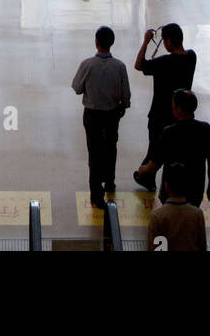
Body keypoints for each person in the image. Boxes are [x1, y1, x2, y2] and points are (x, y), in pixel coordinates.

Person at [71, 26, 131, 210]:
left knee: (94, 152)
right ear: (112, 42)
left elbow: (77, 88)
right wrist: (122, 107)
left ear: (96, 42)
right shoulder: (119, 66)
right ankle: (110, 181)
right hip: (112, 115)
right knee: (111, 147)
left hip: (92, 115)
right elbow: (126, 95)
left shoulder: (87, 65)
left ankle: (96, 194)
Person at [133, 23, 197, 190]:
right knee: (170, 150)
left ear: (168, 41)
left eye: (164, 40)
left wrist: (146, 42)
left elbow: (139, 65)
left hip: (159, 114)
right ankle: (148, 177)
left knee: (155, 149)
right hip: (181, 115)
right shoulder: (191, 57)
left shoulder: (164, 62)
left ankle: (145, 174)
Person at [153, 89, 210, 208]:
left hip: (170, 192)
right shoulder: (205, 129)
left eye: (173, 106)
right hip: (195, 191)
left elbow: (155, 164)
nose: (171, 107)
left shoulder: (169, 132)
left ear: (178, 109)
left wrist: (143, 171)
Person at [147, 161, 207, 253]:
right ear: (187, 186)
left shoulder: (157, 216)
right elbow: (202, 246)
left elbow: (154, 248)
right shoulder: (197, 215)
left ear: (166, 186)